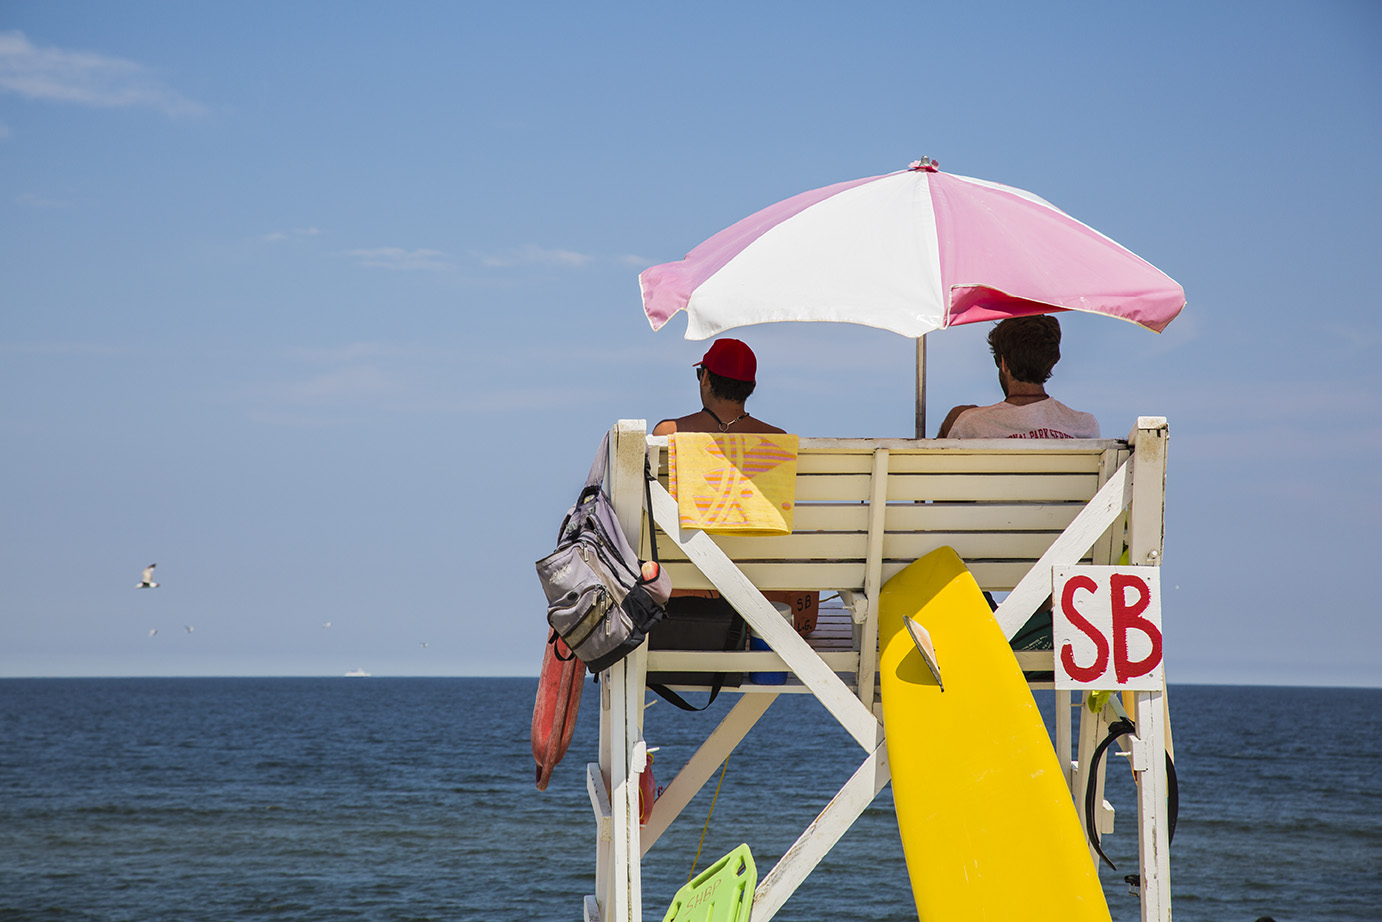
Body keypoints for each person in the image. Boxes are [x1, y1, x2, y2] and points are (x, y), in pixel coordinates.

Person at [653, 338, 818, 636]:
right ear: (750, 387)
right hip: (759, 575)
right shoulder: (779, 442)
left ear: (706, 378)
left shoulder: (669, 433)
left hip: (684, 572)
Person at [937, 315, 1100, 440]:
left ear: (1003, 363)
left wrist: (957, 416)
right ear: (1052, 362)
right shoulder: (1085, 425)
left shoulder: (970, 424)